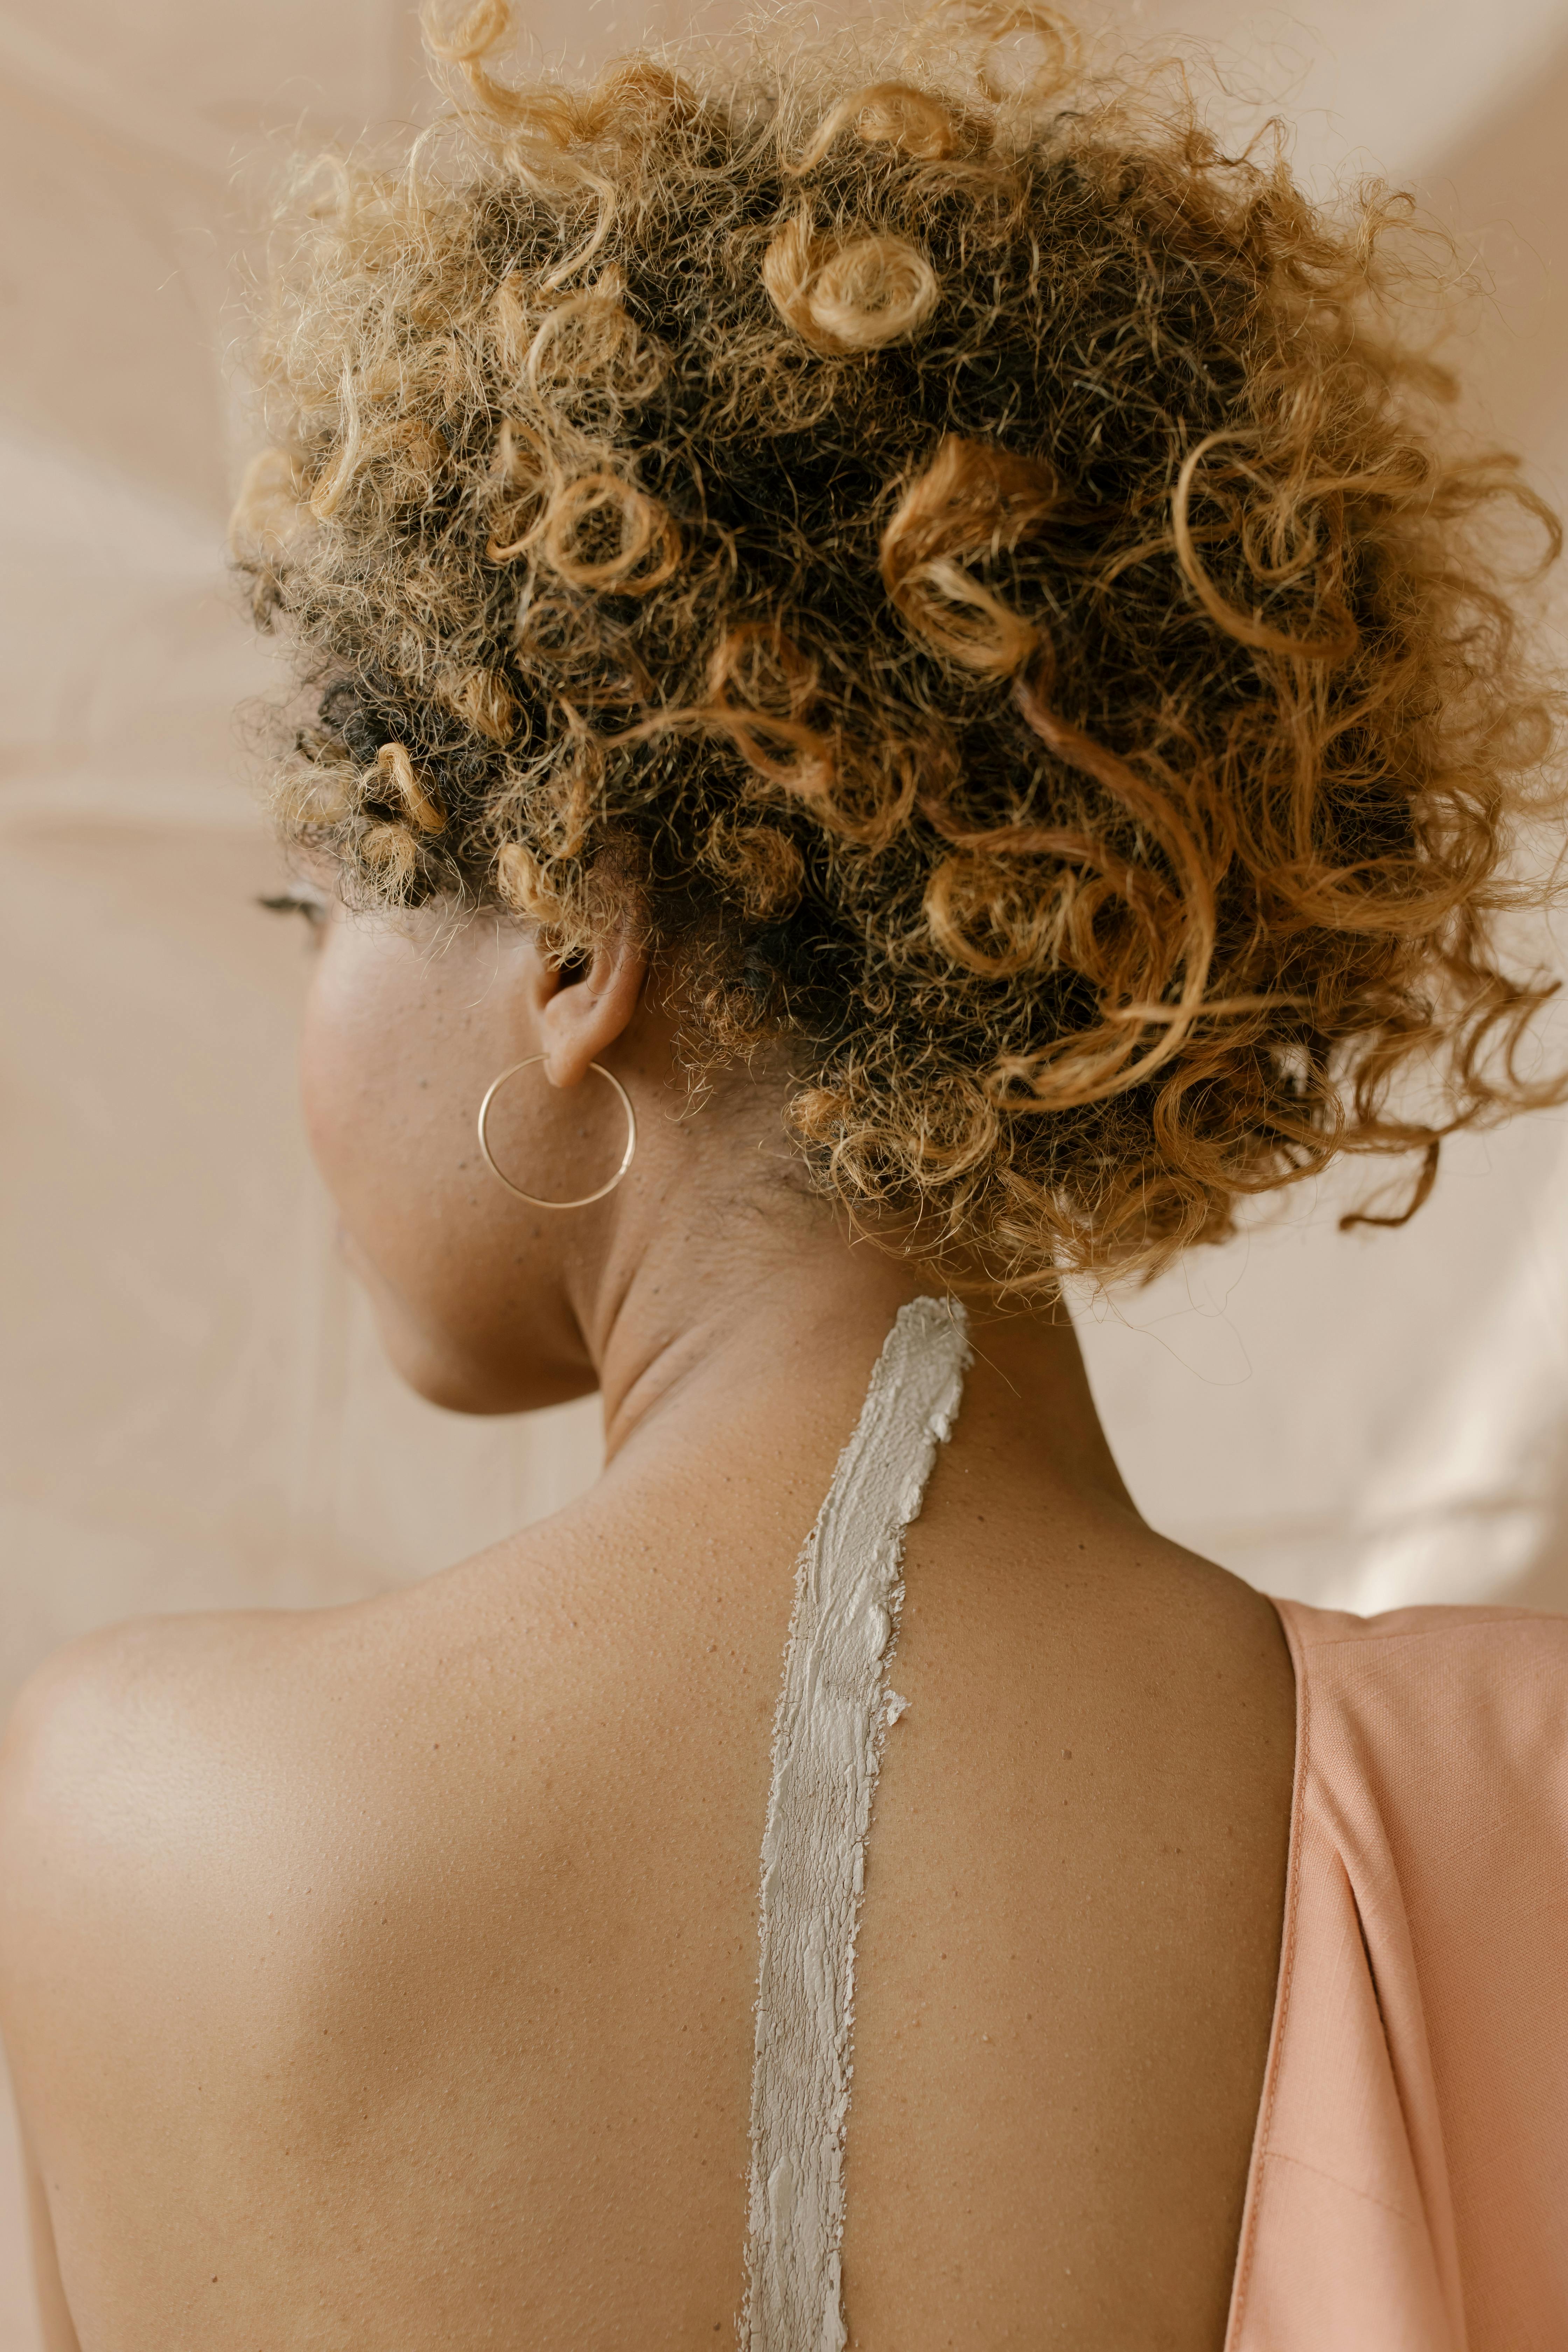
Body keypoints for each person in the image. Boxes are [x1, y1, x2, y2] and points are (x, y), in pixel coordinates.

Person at [4, 4, 1567, 2345]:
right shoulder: (1519, 1817)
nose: (306, 1009)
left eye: (322, 907)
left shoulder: (141, 1808)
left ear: (569, 944)